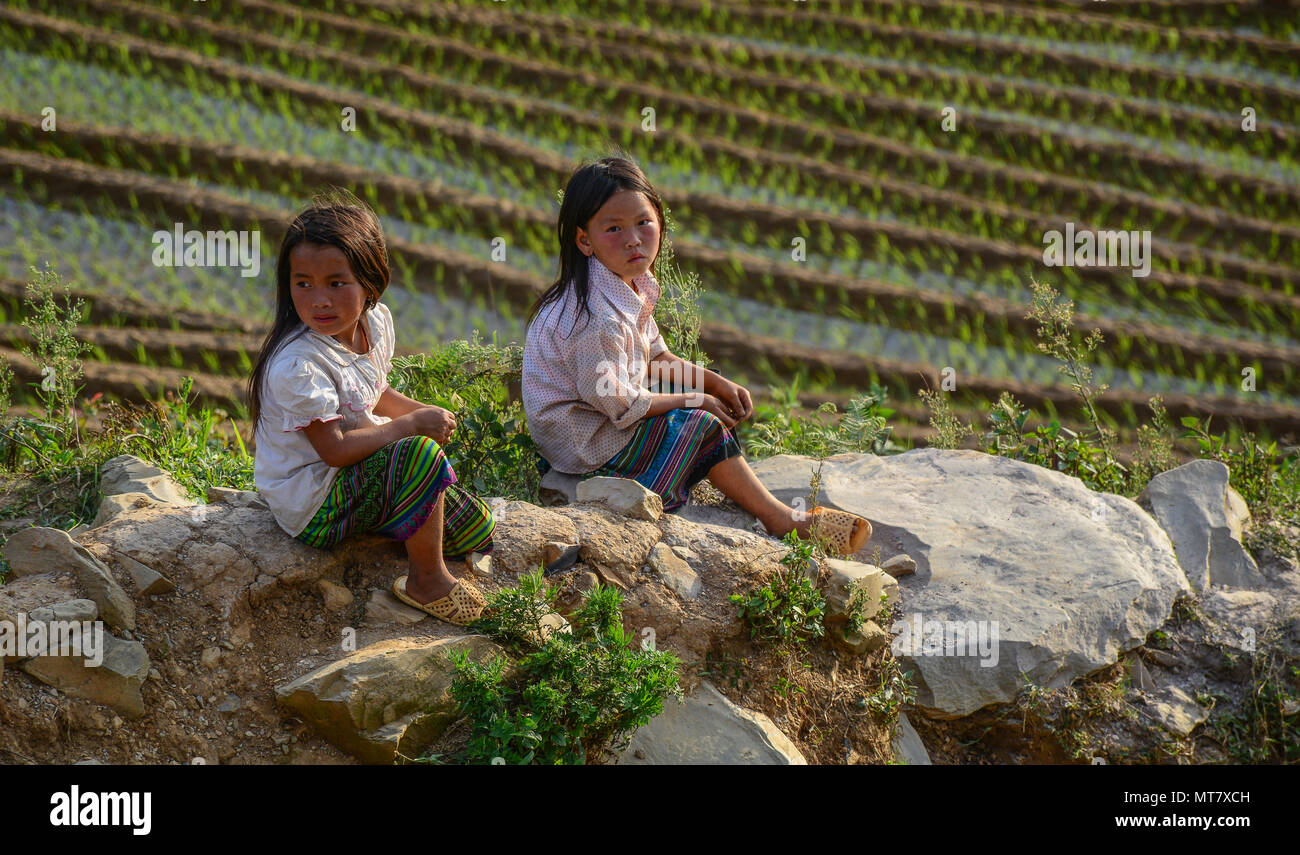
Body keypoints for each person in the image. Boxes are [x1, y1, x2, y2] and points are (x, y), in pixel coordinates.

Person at [522, 156, 872, 555]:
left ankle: (725, 476)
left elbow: (656, 359)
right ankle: (780, 518)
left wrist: (715, 383)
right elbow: (621, 405)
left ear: (659, 220)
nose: (633, 239)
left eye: (643, 222)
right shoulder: (597, 319)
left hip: (600, 413)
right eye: (613, 228)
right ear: (584, 240)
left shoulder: (624, 284)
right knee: (702, 423)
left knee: (702, 392)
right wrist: (698, 399)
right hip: (586, 444)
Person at [248, 192, 494, 625]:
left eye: (336, 283)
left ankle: (394, 520)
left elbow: (373, 392)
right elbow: (336, 450)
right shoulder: (298, 365)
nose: (319, 300)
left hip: (353, 472)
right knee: (419, 455)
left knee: (477, 529)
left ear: (371, 282)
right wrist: (413, 426)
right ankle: (427, 582)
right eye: (302, 283)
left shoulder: (374, 323)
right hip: (315, 501)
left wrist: (424, 410)